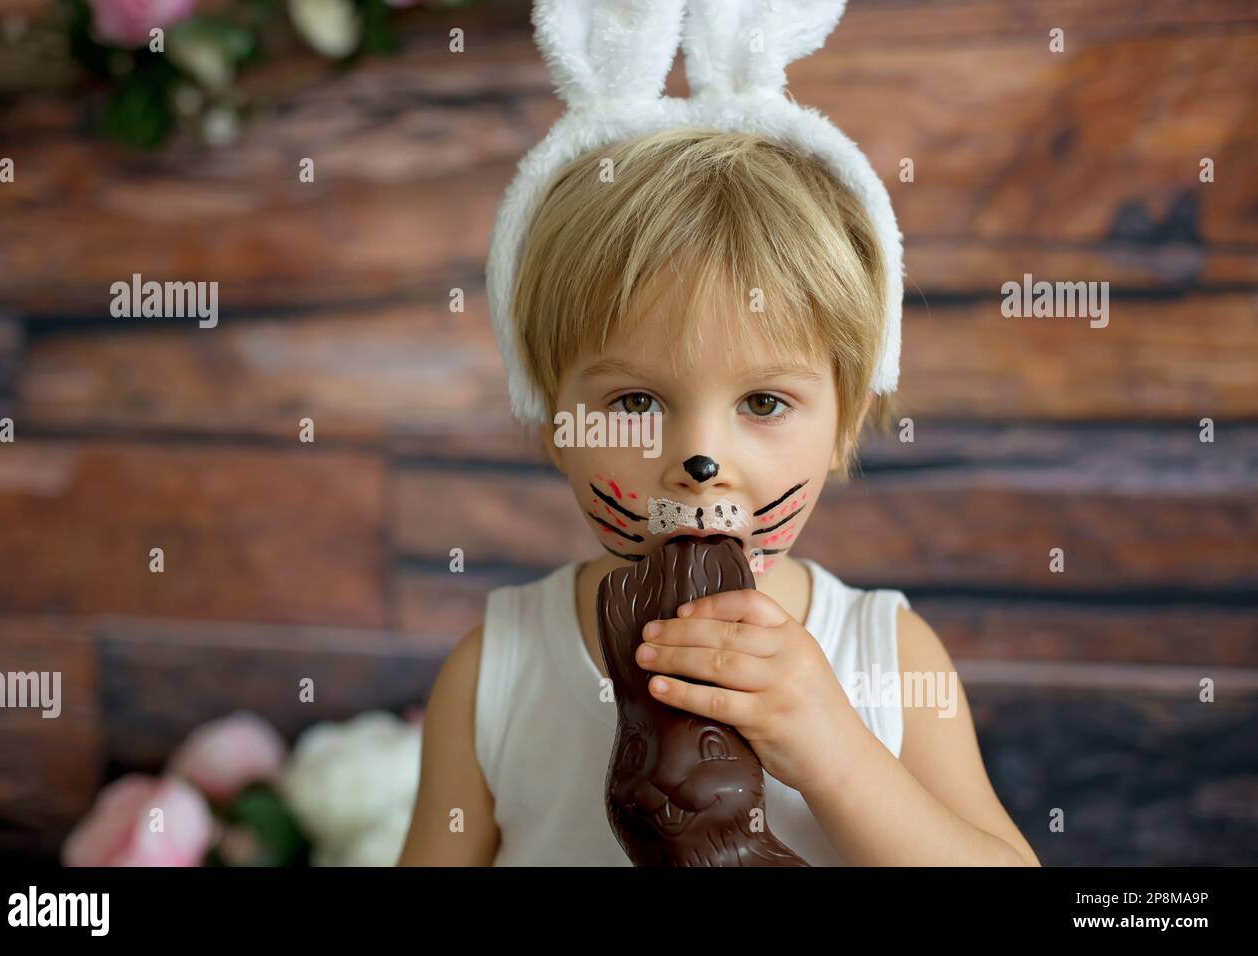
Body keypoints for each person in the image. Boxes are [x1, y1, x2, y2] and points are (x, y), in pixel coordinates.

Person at [397, 124, 1040, 866]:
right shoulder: (498, 669)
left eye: (763, 404)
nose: (700, 463)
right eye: (636, 402)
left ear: (845, 425)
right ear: (552, 423)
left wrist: (837, 756)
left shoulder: (886, 656)